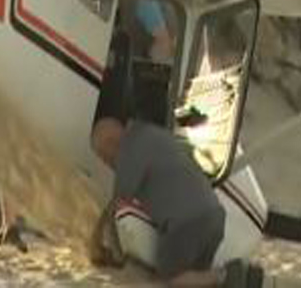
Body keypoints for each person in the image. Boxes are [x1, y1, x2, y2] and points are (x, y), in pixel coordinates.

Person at [89, 116, 260, 287]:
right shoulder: (153, 134)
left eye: (104, 157)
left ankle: (226, 275)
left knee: (169, 279)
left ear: (111, 143)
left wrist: (97, 240)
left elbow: (116, 205)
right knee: (195, 280)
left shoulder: (130, 151)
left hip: (186, 224)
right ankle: (233, 278)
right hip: (214, 215)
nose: (107, 163)